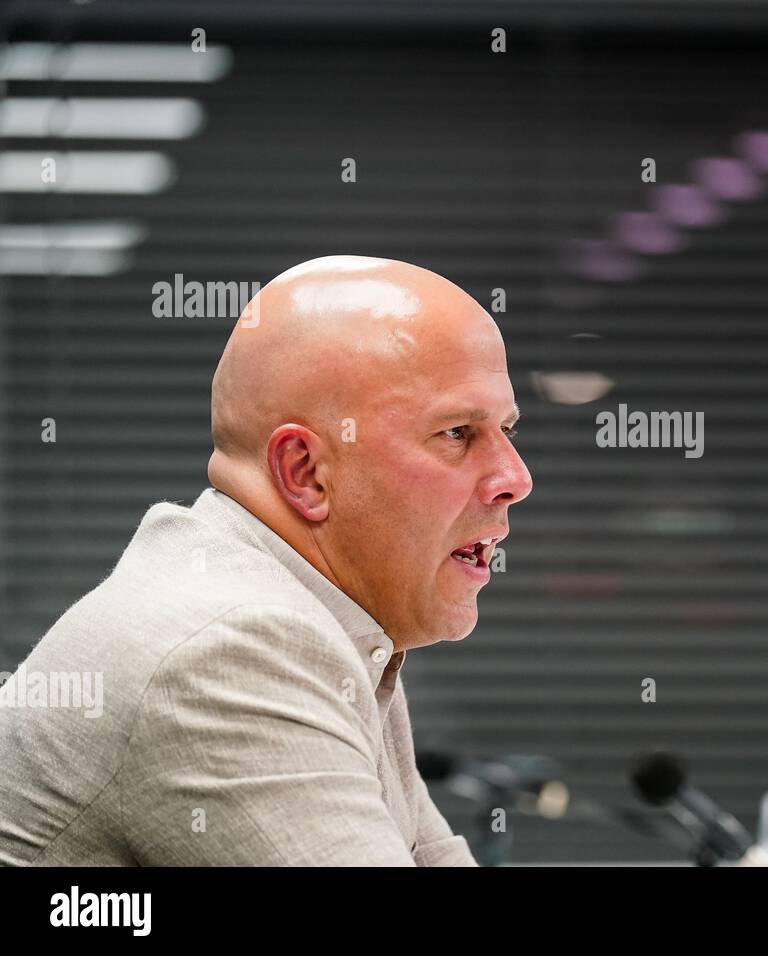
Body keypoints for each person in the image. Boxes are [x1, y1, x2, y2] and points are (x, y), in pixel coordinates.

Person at [0, 255, 532, 865]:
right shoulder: (231, 648)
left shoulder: (329, 618)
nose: (515, 478)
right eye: (458, 433)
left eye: (508, 432)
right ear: (305, 473)